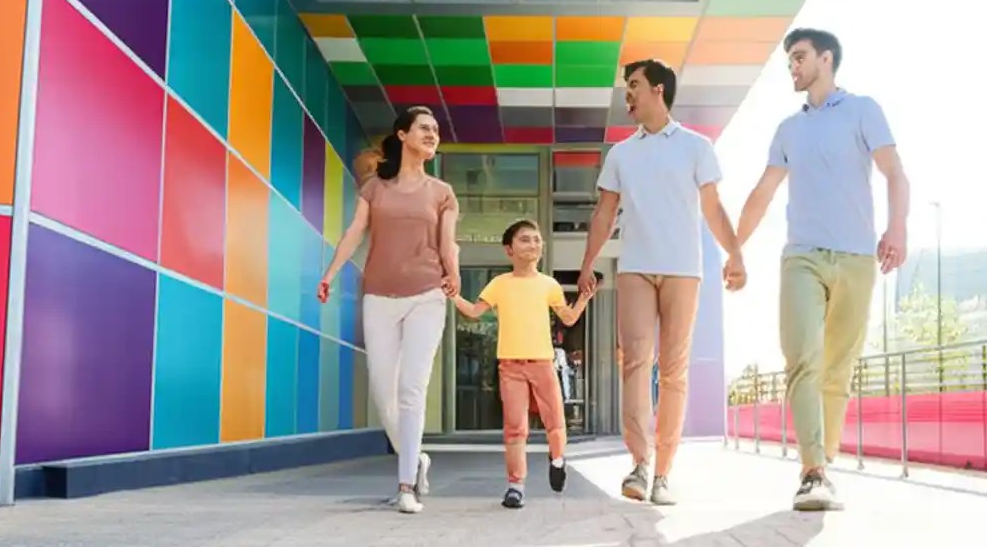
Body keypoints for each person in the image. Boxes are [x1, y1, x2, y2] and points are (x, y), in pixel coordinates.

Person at [734, 28, 909, 511]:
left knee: (837, 369)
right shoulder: (789, 129)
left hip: (856, 257)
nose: (792, 67)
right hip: (802, 257)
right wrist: (734, 249)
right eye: (789, 59)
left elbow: (895, 172)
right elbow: (763, 192)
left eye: (799, 57)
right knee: (802, 360)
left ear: (825, 59)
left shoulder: (862, 110)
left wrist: (898, 229)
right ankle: (812, 471)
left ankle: (824, 466)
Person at [578, 58, 746, 505]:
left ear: (658, 89)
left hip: (683, 270)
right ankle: (639, 463)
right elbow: (604, 213)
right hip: (635, 266)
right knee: (635, 362)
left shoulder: (695, 146)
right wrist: (587, 262)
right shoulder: (621, 153)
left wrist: (734, 252)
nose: (627, 94)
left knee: (673, 371)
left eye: (633, 85)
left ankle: (665, 472)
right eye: (625, 87)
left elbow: (712, 208)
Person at [317, 105, 460, 514]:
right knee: (384, 393)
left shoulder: (442, 192)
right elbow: (354, 231)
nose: (433, 134)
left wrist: (454, 274)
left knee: (412, 389)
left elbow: (447, 241)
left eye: (436, 130)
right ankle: (416, 458)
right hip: (379, 295)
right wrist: (330, 273)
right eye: (424, 128)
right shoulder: (375, 188)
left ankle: (406, 486)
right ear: (402, 135)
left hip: (426, 295)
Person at [449, 219, 592, 509]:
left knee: (555, 421)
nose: (533, 245)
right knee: (515, 428)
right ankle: (515, 486)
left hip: (542, 363)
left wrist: (584, 299)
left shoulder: (549, 284)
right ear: (509, 250)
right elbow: (475, 313)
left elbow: (567, 318)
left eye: (537, 240)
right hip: (510, 366)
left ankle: (558, 459)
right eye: (525, 240)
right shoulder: (500, 284)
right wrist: (453, 297)